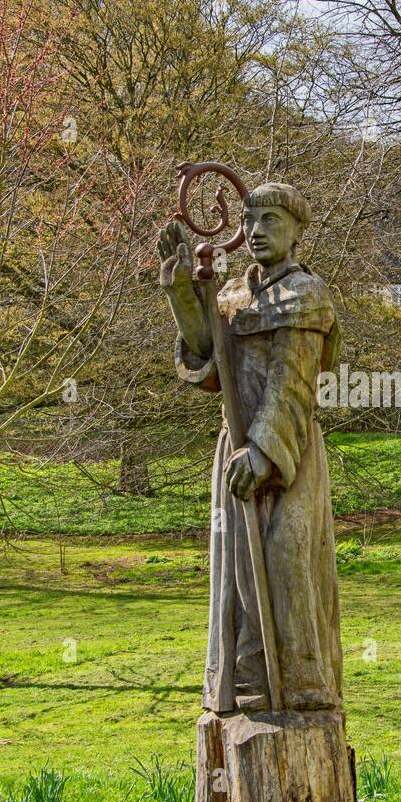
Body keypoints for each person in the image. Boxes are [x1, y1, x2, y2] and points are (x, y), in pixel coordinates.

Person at [158, 182, 342, 713]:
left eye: (271, 221)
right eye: (250, 220)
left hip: (288, 449)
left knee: (286, 555)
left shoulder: (305, 295)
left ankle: (303, 680)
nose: (258, 231)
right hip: (234, 447)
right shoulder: (236, 295)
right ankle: (246, 679)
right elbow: (209, 365)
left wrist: (262, 453)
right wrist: (183, 296)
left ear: (296, 230)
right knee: (239, 562)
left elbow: (294, 380)